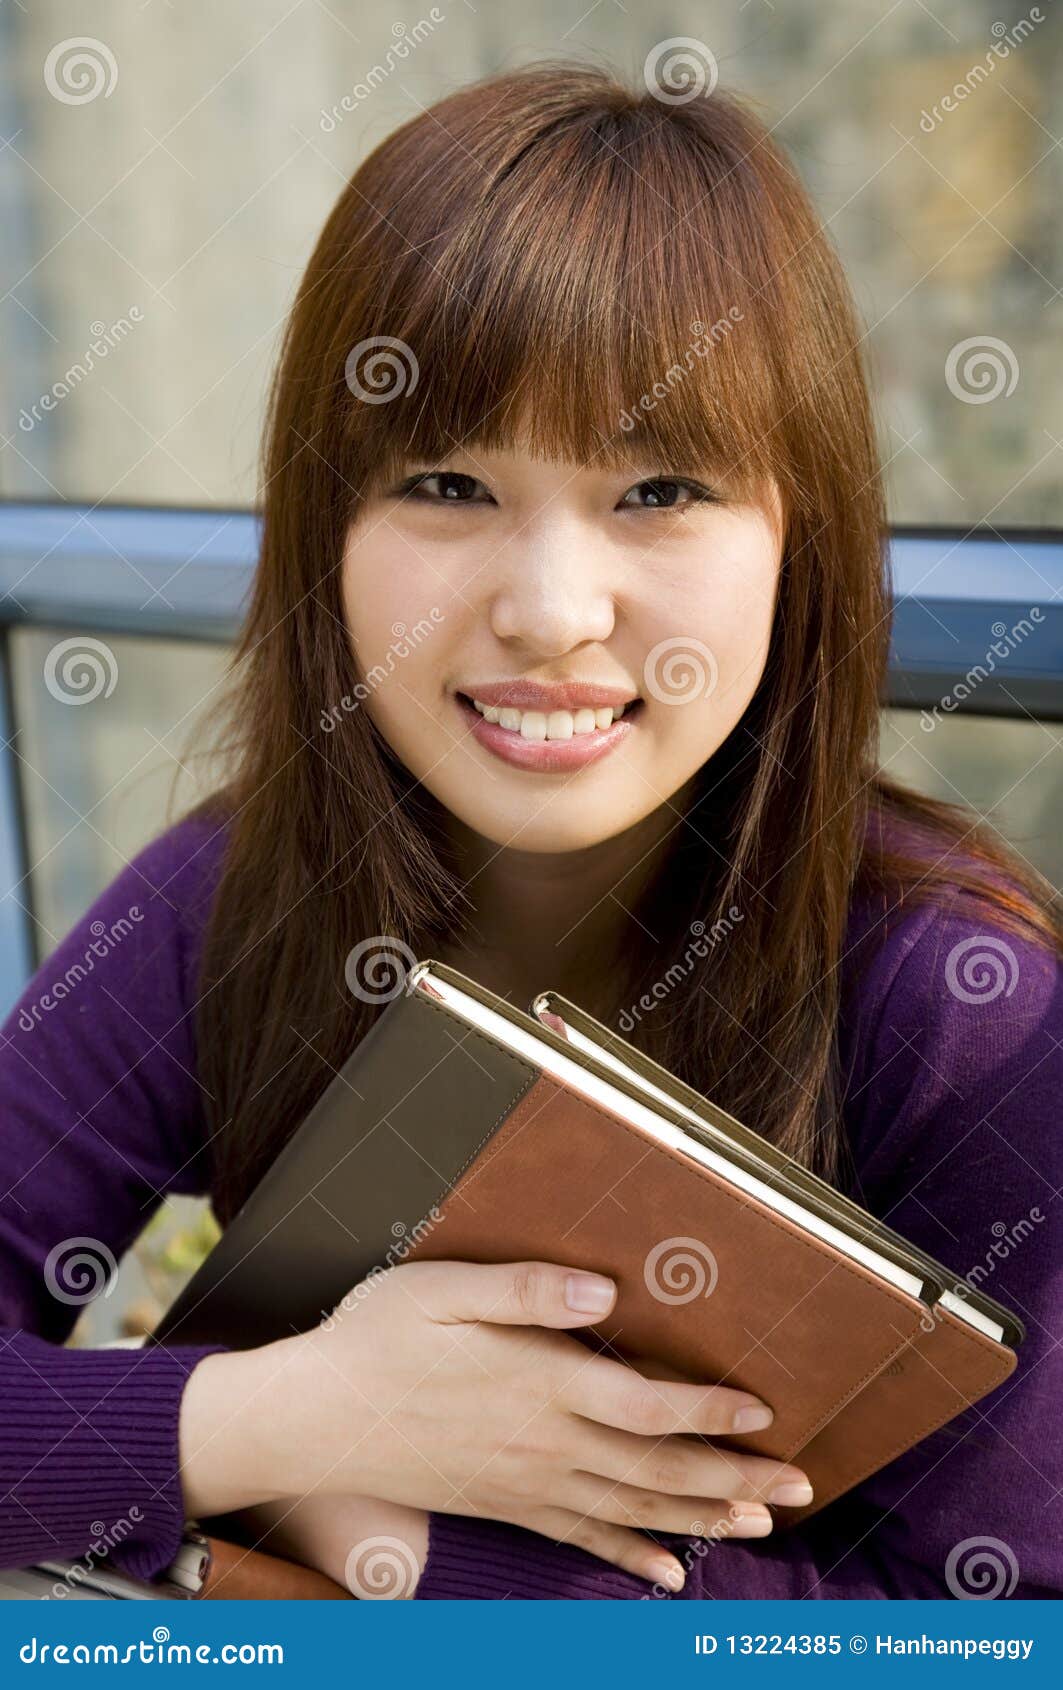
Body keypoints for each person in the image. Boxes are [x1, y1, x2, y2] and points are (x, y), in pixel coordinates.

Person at [2, 61, 1060, 1601]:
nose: (552, 611)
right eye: (445, 483)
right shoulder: (229, 899)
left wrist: (393, 1535)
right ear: (325, 527)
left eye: (658, 489)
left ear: (800, 539)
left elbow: (994, 1624)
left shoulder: (964, 1009)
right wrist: (293, 1410)